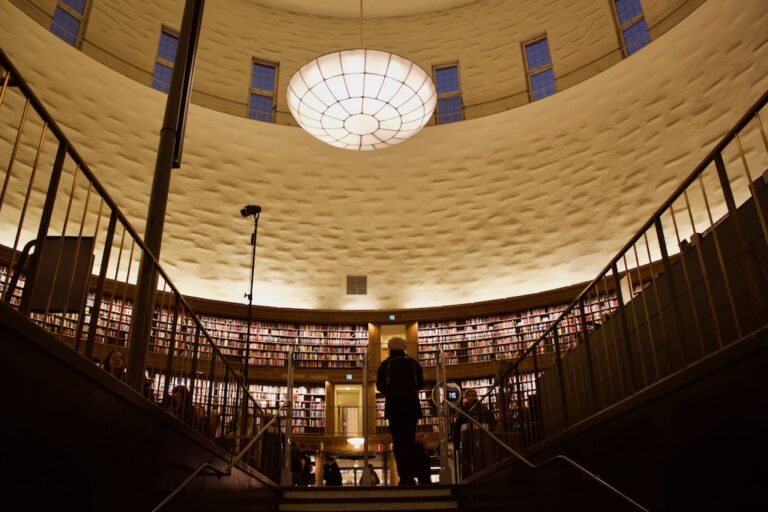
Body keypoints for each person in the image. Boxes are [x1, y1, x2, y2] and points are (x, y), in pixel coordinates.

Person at [376, 336, 424, 486]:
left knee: (398, 442)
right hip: (411, 407)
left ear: (390, 348)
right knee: (409, 440)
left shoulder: (385, 364)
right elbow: (421, 384)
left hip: (394, 407)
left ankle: (403, 476)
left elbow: (380, 386)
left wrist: (392, 392)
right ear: (404, 347)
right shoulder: (413, 363)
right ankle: (410, 476)